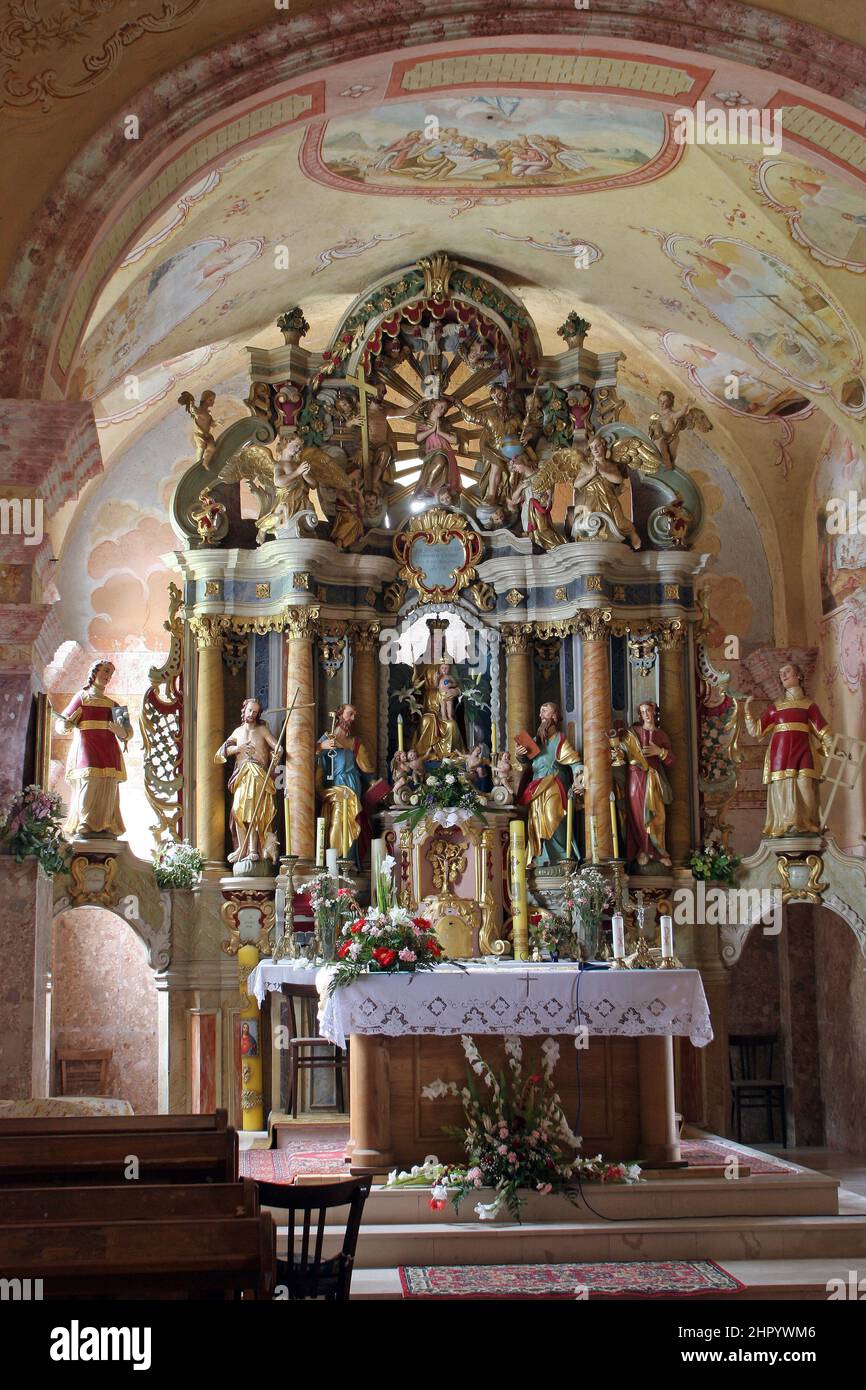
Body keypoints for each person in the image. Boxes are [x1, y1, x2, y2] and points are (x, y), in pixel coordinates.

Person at [744, 662, 833, 836]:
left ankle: (807, 823)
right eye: (780, 673)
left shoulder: (809, 706)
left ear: (799, 675)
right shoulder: (776, 707)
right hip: (780, 755)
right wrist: (747, 711)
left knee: (805, 786)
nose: (783, 676)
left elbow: (823, 730)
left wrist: (831, 746)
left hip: (804, 752)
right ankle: (786, 824)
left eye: (787, 672)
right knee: (782, 788)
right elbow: (756, 730)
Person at [56, 660, 131, 838]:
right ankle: (85, 823)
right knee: (89, 783)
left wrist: (120, 731)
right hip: (87, 749)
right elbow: (61, 723)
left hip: (109, 750)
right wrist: (66, 723)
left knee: (108, 786)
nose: (107, 676)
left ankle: (107, 824)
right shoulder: (81, 697)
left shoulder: (113, 704)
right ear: (94, 672)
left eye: (110, 674)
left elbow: (128, 732)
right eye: (105, 671)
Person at [516, 702, 583, 864]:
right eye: (540, 712)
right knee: (537, 825)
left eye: (544, 712)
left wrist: (580, 774)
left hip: (554, 787)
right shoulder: (535, 740)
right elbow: (525, 761)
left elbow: (574, 761)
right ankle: (542, 858)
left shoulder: (560, 740)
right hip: (535, 788)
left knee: (555, 820)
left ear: (554, 717)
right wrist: (520, 755)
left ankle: (561, 858)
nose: (541, 716)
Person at [216, 697, 281, 864]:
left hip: (257, 773)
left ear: (258, 714)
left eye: (255, 711)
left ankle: (253, 849)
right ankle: (241, 849)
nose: (251, 714)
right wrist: (239, 748)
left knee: (253, 812)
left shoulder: (262, 731)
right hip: (241, 775)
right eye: (249, 710)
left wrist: (276, 755)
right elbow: (221, 752)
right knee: (237, 811)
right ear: (243, 711)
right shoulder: (237, 732)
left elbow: (278, 747)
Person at [616, 701, 674, 868]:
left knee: (658, 816)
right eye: (642, 712)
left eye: (649, 711)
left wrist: (660, 752)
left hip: (654, 779)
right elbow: (622, 752)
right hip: (635, 778)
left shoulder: (661, 735)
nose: (646, 714)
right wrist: (616, 750)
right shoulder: (633, 733)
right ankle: (643, 849)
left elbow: (672, 761)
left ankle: (658, 851)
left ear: (654, 712)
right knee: (637, 814)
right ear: (639, 715)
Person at [316, 703, 374, 863]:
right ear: (340, 715)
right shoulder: (325, 740)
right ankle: (334, 860)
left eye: (354, 715)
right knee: (336, 822)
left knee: (351, 822)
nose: (353, 719)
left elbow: (366, 769)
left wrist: (376, 785)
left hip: (352, 788)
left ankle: (348, 859)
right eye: (350, 714)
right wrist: (321, 746)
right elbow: (314, 762)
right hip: (334, 787)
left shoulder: (354, 742)